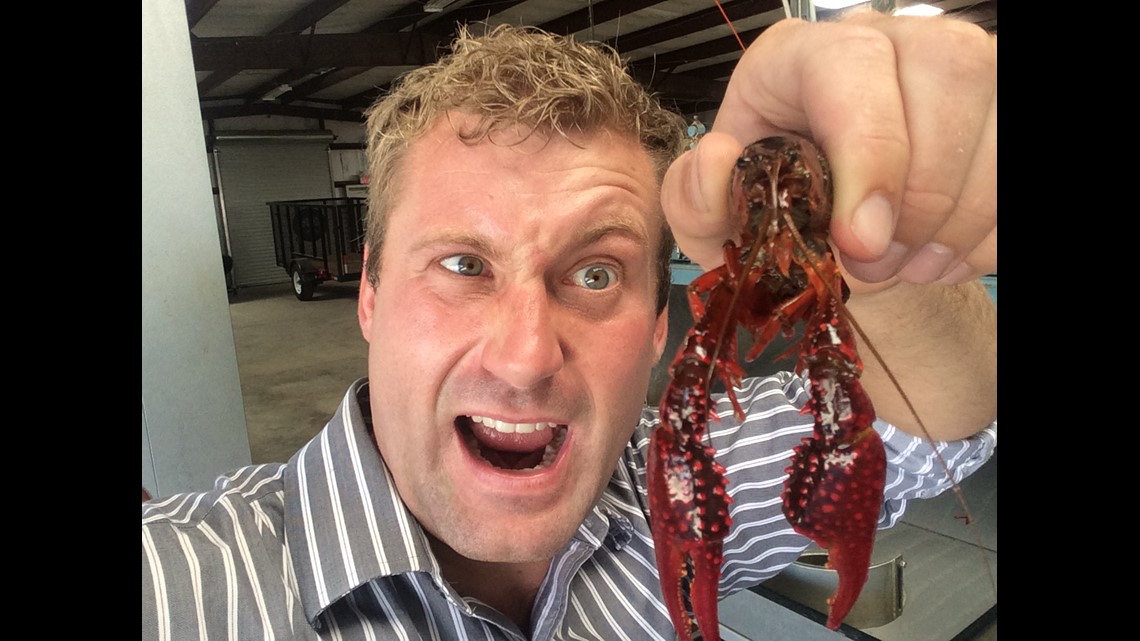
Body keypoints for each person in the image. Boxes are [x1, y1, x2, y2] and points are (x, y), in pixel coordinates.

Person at [143, 15, 996, 641]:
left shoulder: (668, 480)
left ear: (662, 325)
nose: (525, 358)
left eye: (596, 274)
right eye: (464, 264)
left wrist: (886, 250)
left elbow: (937, 431)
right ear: (369, 291)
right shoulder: (180, 583)